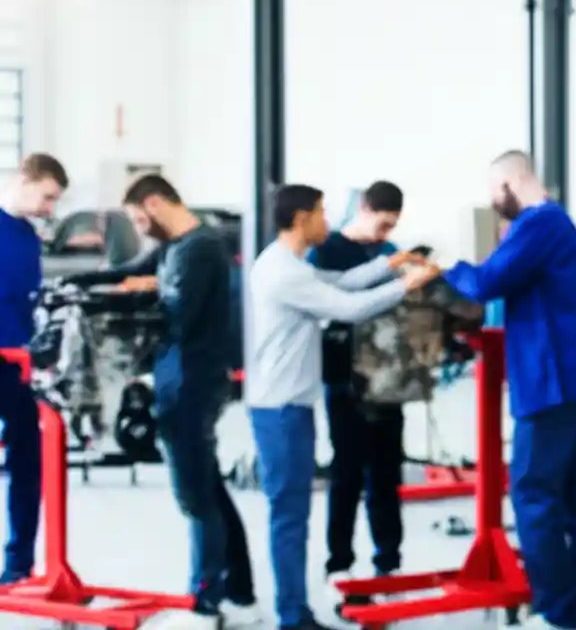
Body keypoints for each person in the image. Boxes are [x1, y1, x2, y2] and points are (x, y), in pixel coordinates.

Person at [64, 175, 259, 629]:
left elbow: (176, 312)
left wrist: (140, 291)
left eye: (137, 218)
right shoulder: (176, 246)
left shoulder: (200, 248)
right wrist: (77, 284)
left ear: (154, 203)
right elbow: (127, 269)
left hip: (193, 384)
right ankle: (240, 590)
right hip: (181, 379)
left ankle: (204, 601)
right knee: (209, 489)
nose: (140, 226)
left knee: (194, 497)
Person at [441, 150, 576, 630]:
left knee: (535, 495)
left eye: (493, 190)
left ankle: (557, 613)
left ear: (511, 181)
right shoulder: (556, 224)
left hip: (553, 384)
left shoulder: (537, 223)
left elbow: (486, 282)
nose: (492, 201)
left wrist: (442, 267)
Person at [246, 184, 437, 630]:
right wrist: (405, 284)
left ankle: (296, 611)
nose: (326, 221)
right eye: (320, 213)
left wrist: (388, 265)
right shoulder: (285, 272)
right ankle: (292, 616)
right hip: (281, 410)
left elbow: (340, 282)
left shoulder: (287, 263)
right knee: (289, 517)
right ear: (300, 220)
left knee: (292, 514)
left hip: (289, 406)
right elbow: (347, 307)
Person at [307, 181, 407, 602]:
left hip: (387, 379)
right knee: (347, 472)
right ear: (364, 208)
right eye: (381, 224)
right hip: (343, 379)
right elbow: (335, 297)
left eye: (392, 227)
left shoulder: (391, 252)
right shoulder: (325, 251)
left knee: (386, 473)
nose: (385, 235)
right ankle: (340, 563)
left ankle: (388, 562)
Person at [0, 154, 67, 586]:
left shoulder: (29, 238)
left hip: (15, 366)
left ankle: (17, 565)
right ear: (24, 180)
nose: (50, 208)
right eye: (47, 197)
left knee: (29, 459)